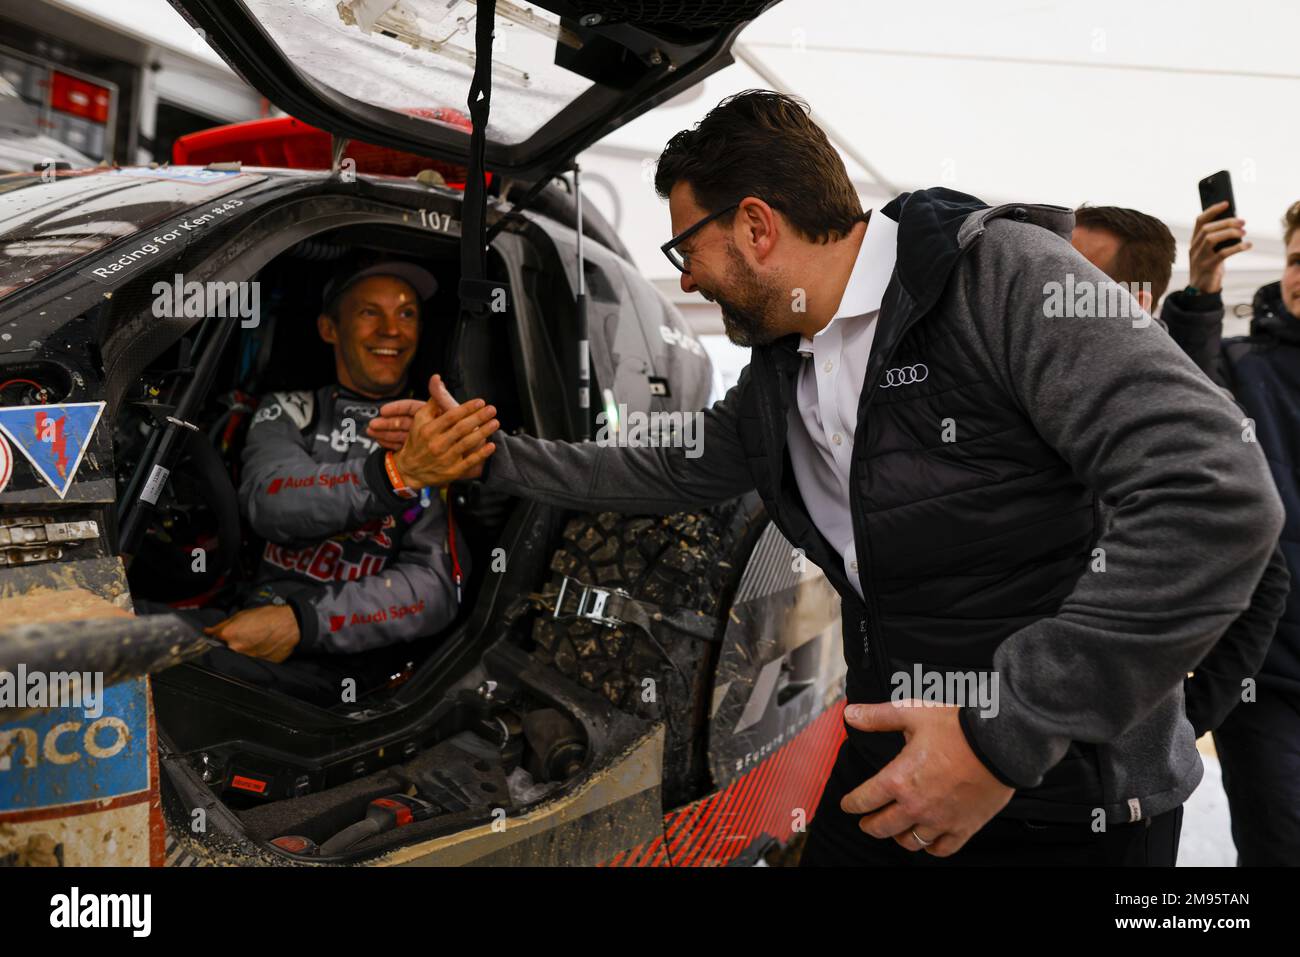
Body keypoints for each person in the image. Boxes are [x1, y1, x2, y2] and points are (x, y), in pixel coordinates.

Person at [374, 91, 1283, 865]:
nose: (686, 280)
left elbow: (1215, 495)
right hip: (889, 755)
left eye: (685, 248)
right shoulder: (782, 369)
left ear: (756, 225)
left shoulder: (999, 278)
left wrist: (1003, 736)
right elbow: (663, 466)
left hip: (1059, 794)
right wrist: (490, 456)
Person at [189, 262, 499, 706]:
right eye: (370, 312)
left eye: (407, 313)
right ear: (329, 328)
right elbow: (270, 504)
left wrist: (303, 622)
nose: (391, 330)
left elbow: (436, 590)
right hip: (249, 617)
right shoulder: (290, 410)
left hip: (349, 665)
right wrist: (393, 477)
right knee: (107, 627)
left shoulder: (432, 433)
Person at [1068, 205, 1291, 742]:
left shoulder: (1169, 414)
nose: (1049, 294)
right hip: (993, 736)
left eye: (1077, 281)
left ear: (1135, 303)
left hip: (1127, 758)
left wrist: (1187, 717)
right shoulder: (1019, 392)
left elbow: (1263, 579)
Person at [1160, 199, 1300, 865]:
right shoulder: (1240, 364)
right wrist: (1199, 294)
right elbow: (1177, 397)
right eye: (1297, 259)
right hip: (1268, 679)